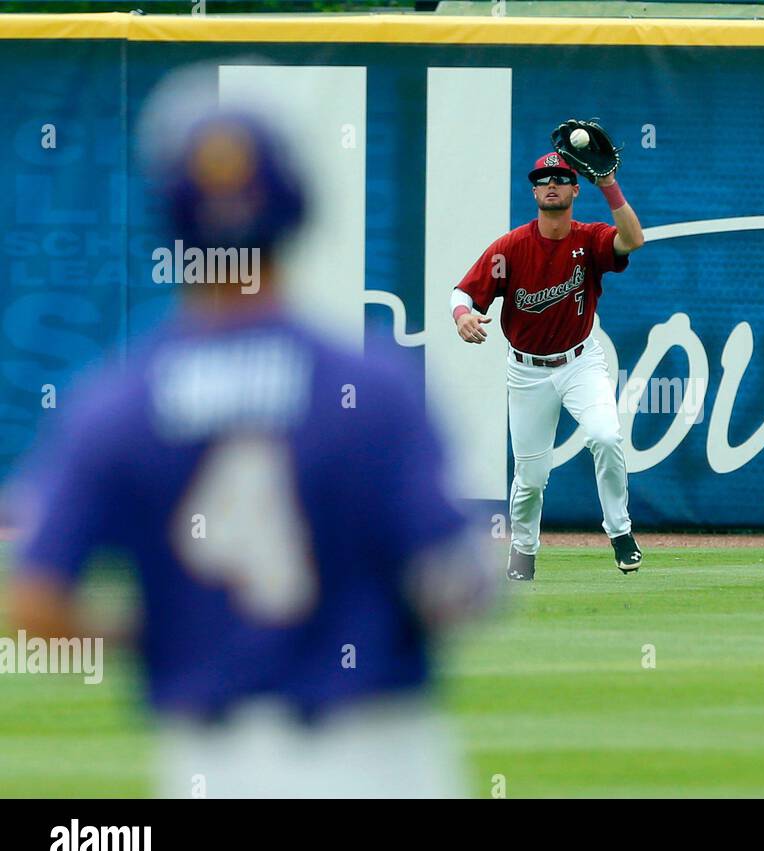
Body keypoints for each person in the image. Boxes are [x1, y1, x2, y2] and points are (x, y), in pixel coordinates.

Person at [5, 98, 493, 798]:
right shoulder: (371, 383)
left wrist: (165, 628)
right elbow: (459, 587)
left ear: (170, 220)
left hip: (212, 763)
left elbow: (37, 604)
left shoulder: (115, 403)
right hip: (380, 755)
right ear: (294, 206)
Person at [451, 148, 646, 581]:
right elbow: (463, 293)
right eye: (543, 179)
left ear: (576, 189)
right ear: (534, 191)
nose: (551, 184)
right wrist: (462, 315)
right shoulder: (511, 247)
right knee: (532, 476)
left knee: (606, 435)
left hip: (580, 361)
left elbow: (632, 240)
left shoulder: (589, 238)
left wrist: (609, 185)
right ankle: (523, 550)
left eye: (560, 177)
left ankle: (620, 533)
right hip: (526, 371)